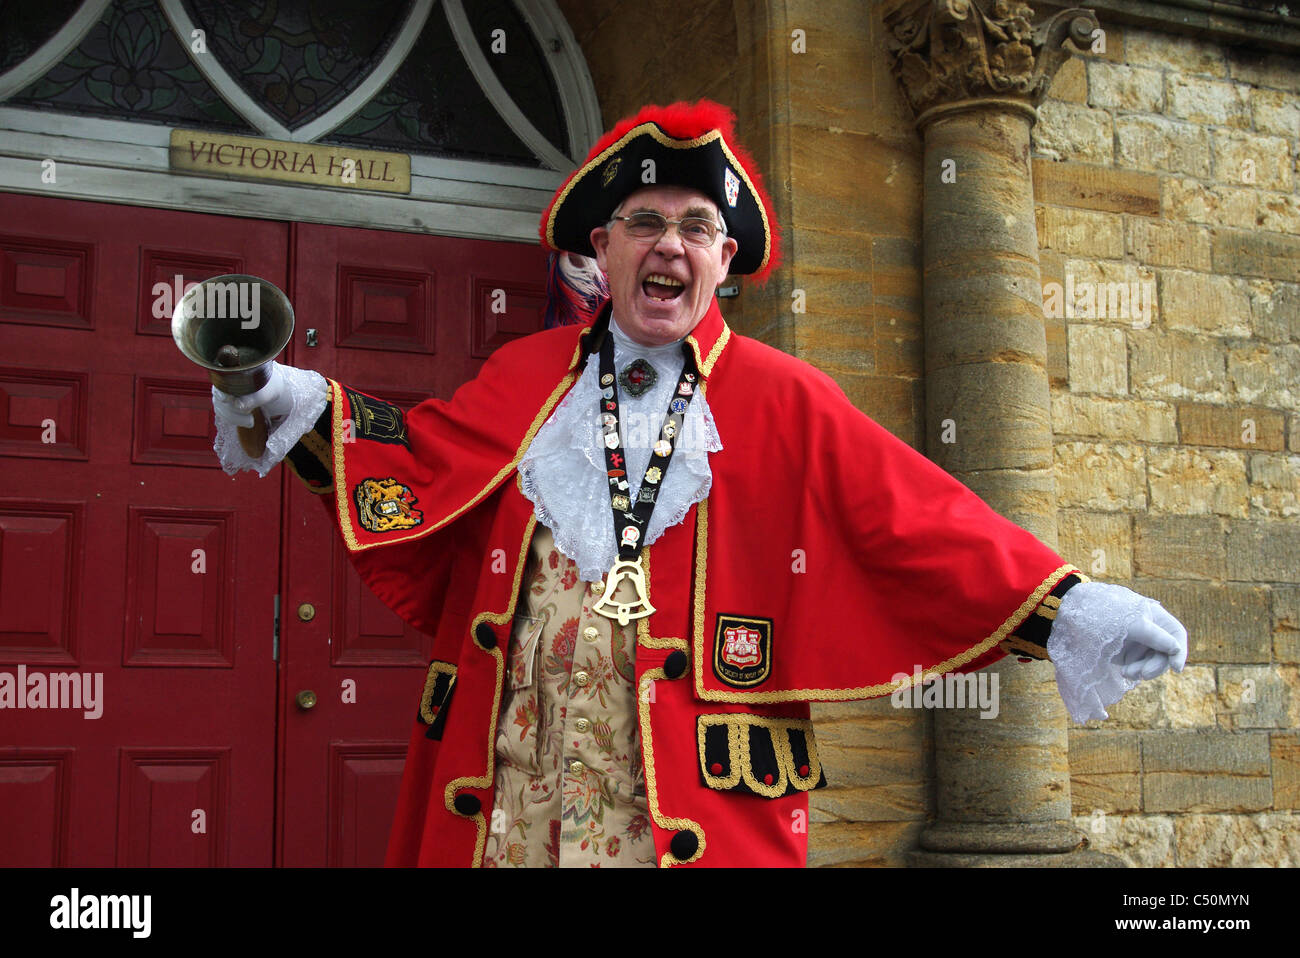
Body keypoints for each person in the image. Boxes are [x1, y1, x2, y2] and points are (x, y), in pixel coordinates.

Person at [211, 100, 1188, 868]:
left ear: (726, 258)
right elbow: (421, 464)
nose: (666, 243)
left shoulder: (784, 398)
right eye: (642, 222)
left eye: (694, 225)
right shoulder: (524, 373)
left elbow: (915, 521)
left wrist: (1068, 608)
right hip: (512, 784)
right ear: (602, 251)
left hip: (686, 801)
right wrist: (284, 394)